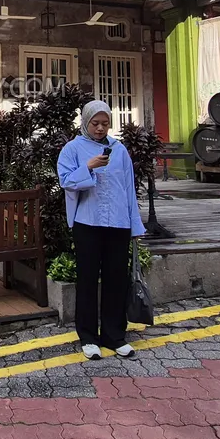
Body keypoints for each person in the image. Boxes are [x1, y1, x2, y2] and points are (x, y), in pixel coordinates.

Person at [57, 99, 146, 361]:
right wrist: (88, 167)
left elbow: (129, 188)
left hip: (118, 223)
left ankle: (114, 335)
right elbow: (66, 182)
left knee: (116, 279)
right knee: (87, 280)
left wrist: (135, 225)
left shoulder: (119, 150)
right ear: (85, 122)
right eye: (95, 123)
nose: (100, 129)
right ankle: (87, 337)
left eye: (105, 124)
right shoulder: (72, 149)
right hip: (87, 222)